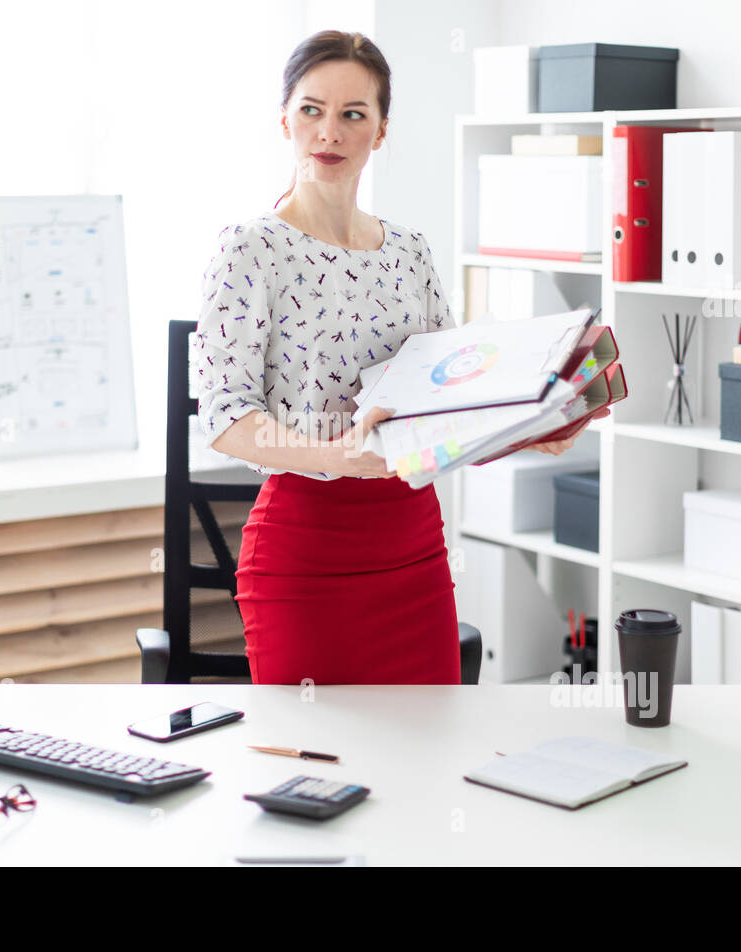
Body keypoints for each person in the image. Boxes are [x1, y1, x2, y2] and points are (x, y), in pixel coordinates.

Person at [191, 29, 601, 685]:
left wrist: (527, 430)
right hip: (305, 550)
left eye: (354, 114)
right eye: (312, 110)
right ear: (284, 121)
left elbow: (446, 407)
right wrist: (336, 458)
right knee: (315, 767)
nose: (330, 132)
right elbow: (224, 417)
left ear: (380, 131)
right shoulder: (250, 249)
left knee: (425, 761)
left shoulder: (409, 250)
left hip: (413, 547)